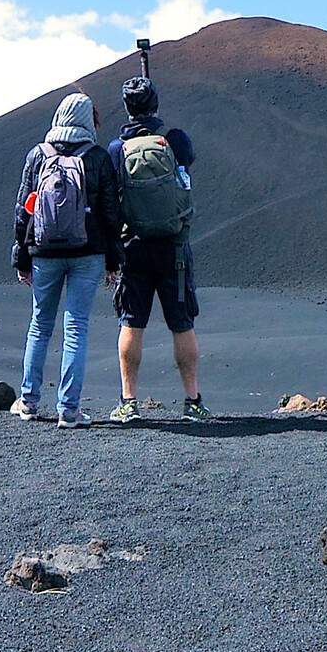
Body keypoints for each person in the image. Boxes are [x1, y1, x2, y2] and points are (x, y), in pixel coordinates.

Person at [10, 91, 123, 427]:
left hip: (44, 252)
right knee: (76, 327)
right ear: (88, 121)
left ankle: (28, 402)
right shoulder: (97, 158)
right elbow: (111, 214)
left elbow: (23, 211)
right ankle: (69, 410)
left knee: (39, 324)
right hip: (88, 253)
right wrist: (113, 260)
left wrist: (21, 258)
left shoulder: (38, 155)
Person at [105, 75, 208, 422]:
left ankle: (128, 402)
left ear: (127, 107)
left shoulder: (116, 149)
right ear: (155, 104)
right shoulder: (175, 140)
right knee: (182, 322)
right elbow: (187, 164)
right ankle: (192, 401)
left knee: (131, 322)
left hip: (133, 247)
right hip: (173, 247)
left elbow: (112, 196)